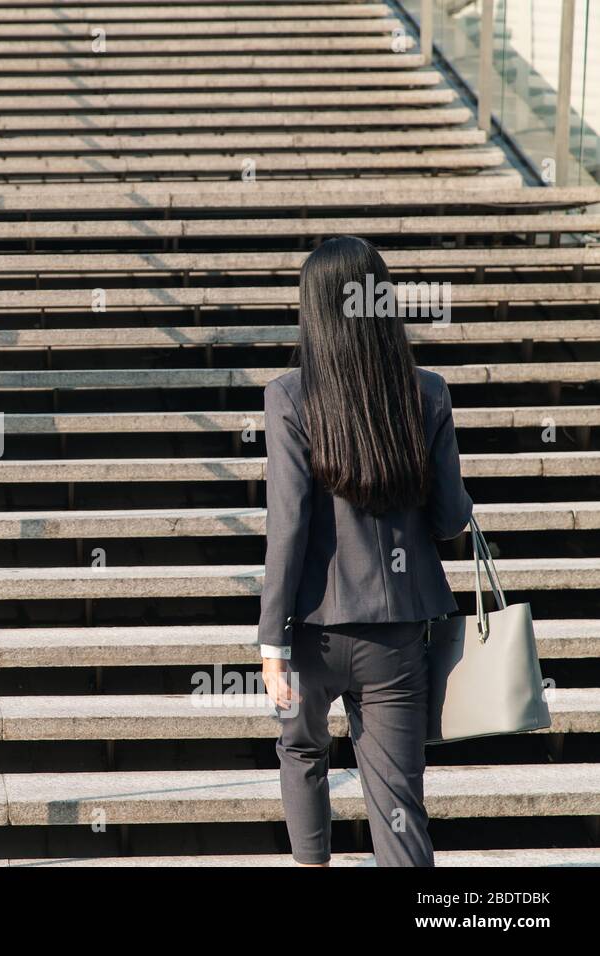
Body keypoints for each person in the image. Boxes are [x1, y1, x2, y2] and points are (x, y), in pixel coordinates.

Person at [259, 236, 473, 867]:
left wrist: (271, 642)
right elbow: (449, 521)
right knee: (398, 798)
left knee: (301, 755)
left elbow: (288, 523)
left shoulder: (290, 395)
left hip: (309, 632)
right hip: (397, 635)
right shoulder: (427, 391)